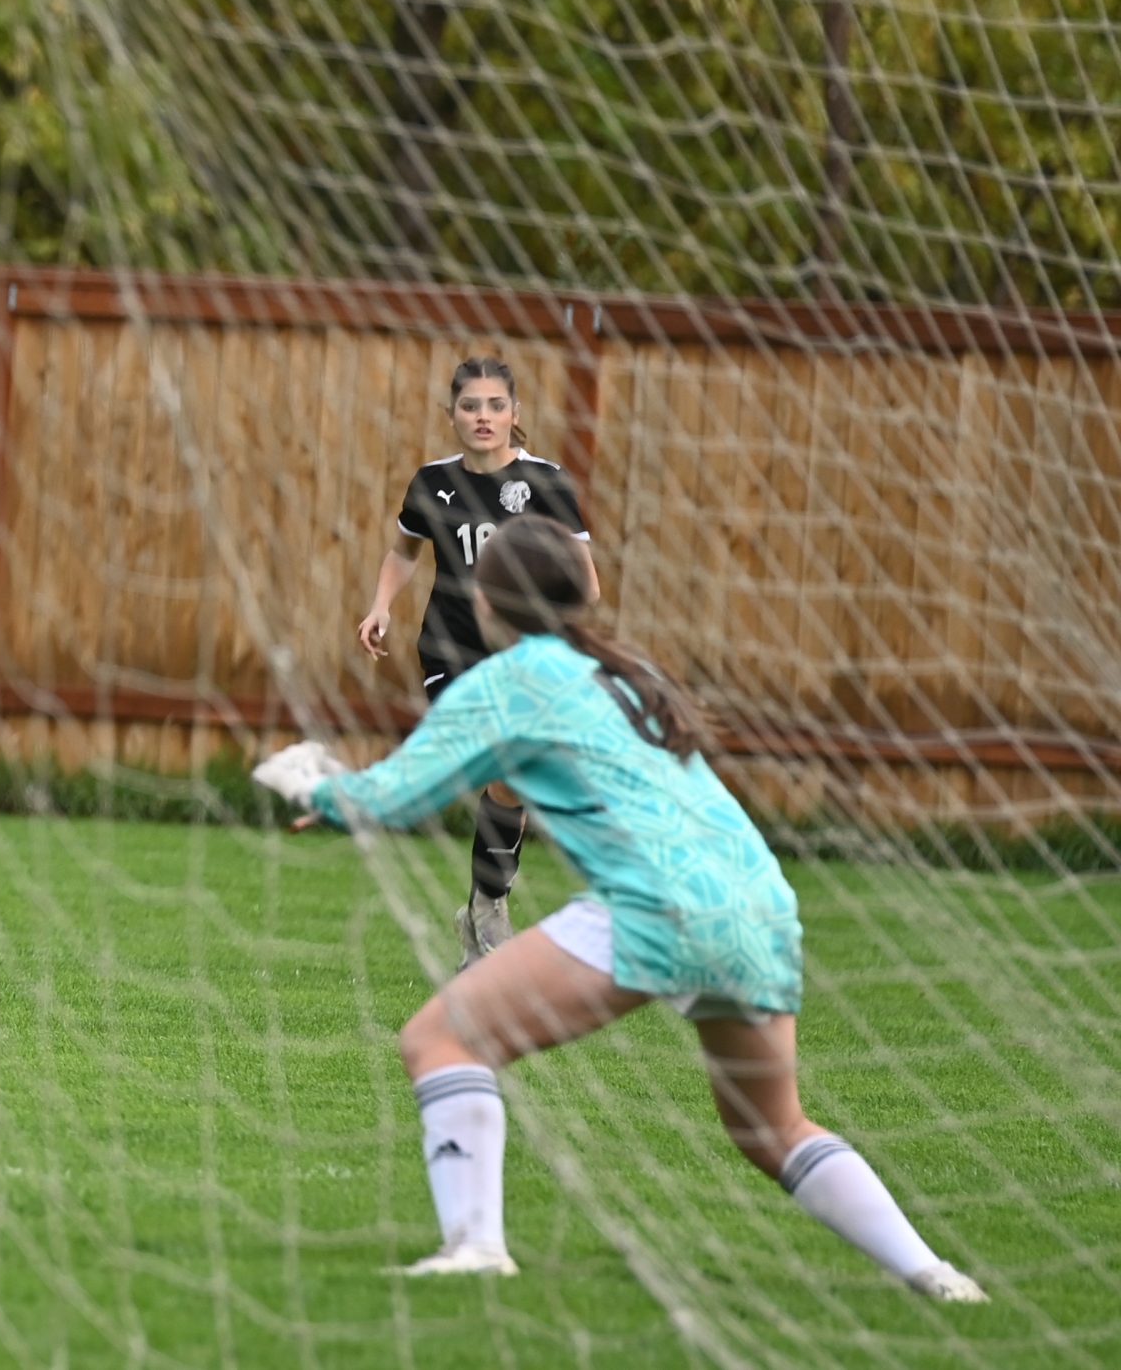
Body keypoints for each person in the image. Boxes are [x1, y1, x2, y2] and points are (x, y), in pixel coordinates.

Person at [255, 519, 985, 1300]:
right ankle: (932, 1272)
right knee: (774, 1129)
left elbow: (395, 797)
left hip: (657, 904)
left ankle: (475, 1250)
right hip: (758, 903)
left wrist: (314, 784)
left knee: (441, 1041)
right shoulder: (629, 671)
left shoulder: (512, 681)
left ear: (482, 603)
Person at [354, 355, 596, 966]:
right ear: (452, 415)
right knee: (497, 762)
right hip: (450, 649)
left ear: (515, 414)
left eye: (495, 405)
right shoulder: (431, 483)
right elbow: (405, 550)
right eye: (470, 406)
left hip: (519, 656)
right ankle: (486, 910)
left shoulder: (547, 485)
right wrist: (382, 603)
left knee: (508, 777)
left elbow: (587, 587)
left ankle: (485, 909)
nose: (482, 417)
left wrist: (538, 597)